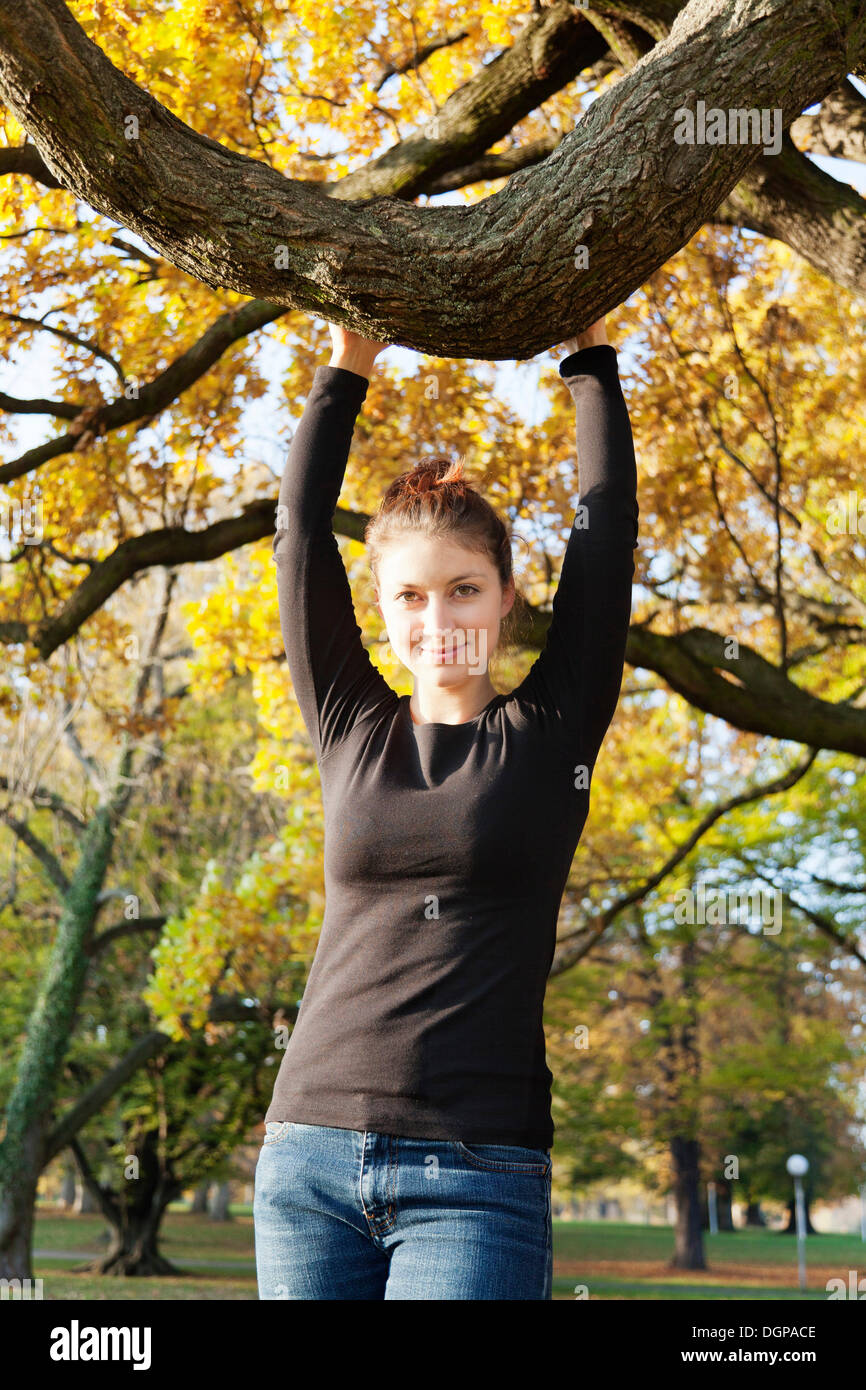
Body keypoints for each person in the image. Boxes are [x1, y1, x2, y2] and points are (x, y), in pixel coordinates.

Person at [254, 314, 639, 1300]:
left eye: (463, 590)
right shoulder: (347, 723)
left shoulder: (550, 730)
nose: (439, 621)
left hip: (475, 1173)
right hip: (307, 1158)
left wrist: (588, 359)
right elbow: (298, 531)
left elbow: (606, 530)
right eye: (411, 598)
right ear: (382, 609)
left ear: (505, 595)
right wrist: (347, 362)